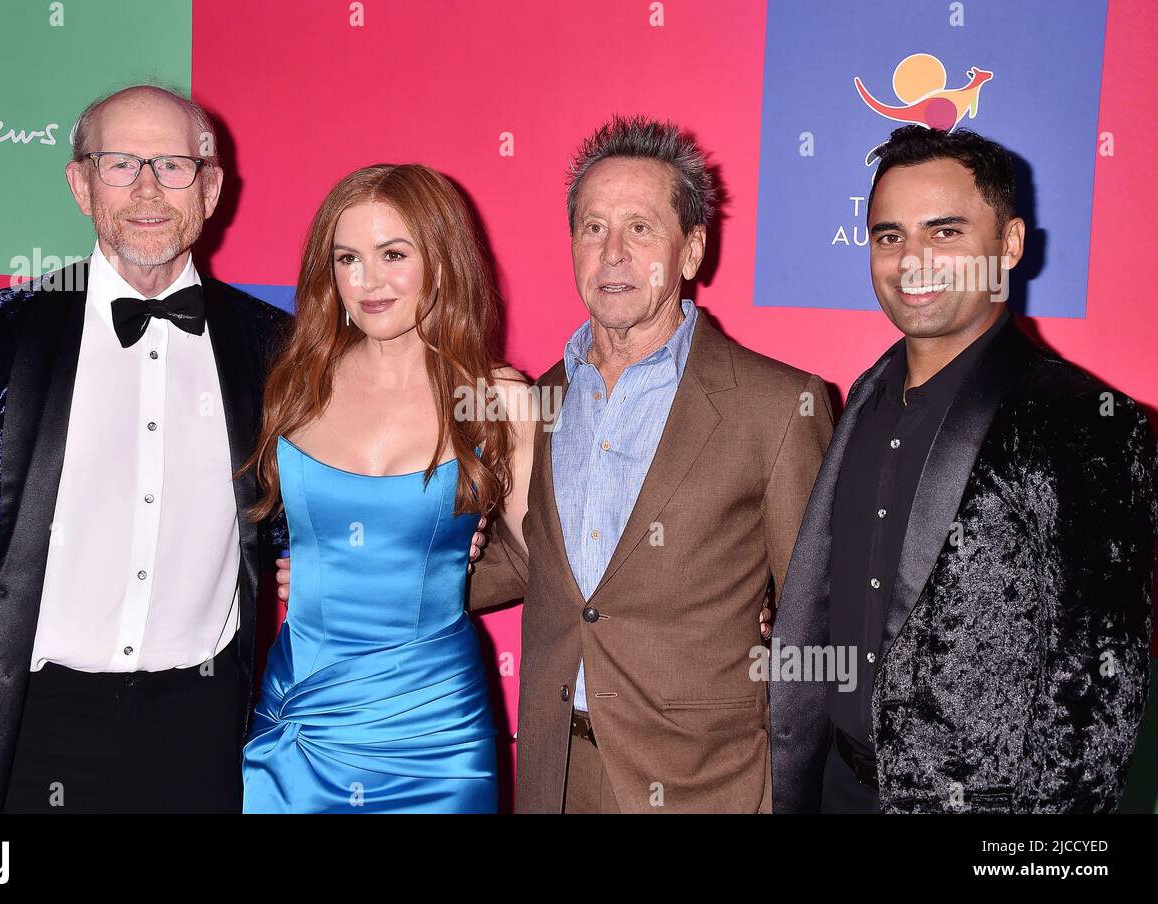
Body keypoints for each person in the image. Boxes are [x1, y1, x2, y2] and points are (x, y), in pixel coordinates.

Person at [0, 85, 292, 814]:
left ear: (211, 188)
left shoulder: (274, 347)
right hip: (31, 726)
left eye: (173, 165)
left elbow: (301, 523)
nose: (148, 189)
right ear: (80, 184)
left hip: (203, 732)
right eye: (120, 164)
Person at [770, 126, 1156, 813]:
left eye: (944, 232)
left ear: (1008, 244)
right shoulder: (862, 397)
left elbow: (1098, 708)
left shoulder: (1086, 423)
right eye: (889, 236)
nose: (911, 259)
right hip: (834, 788)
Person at [462, 115, 834, 812]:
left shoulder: (781, 407)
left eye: (641, 227)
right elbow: (527, 565)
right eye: (593, 228)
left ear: (692, 249)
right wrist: (374, 574)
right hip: (555, 777)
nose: (612, 253)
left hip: (705, 788)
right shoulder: (536, 402)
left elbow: (815, 626)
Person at [243, 163, 534, 813]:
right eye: (348, 258)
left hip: (438, 737)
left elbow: (560, 572)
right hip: (301, 728)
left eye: (393, 254)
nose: (368, 280)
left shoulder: (499, 400)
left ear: (442, 259)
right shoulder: (292, 386)